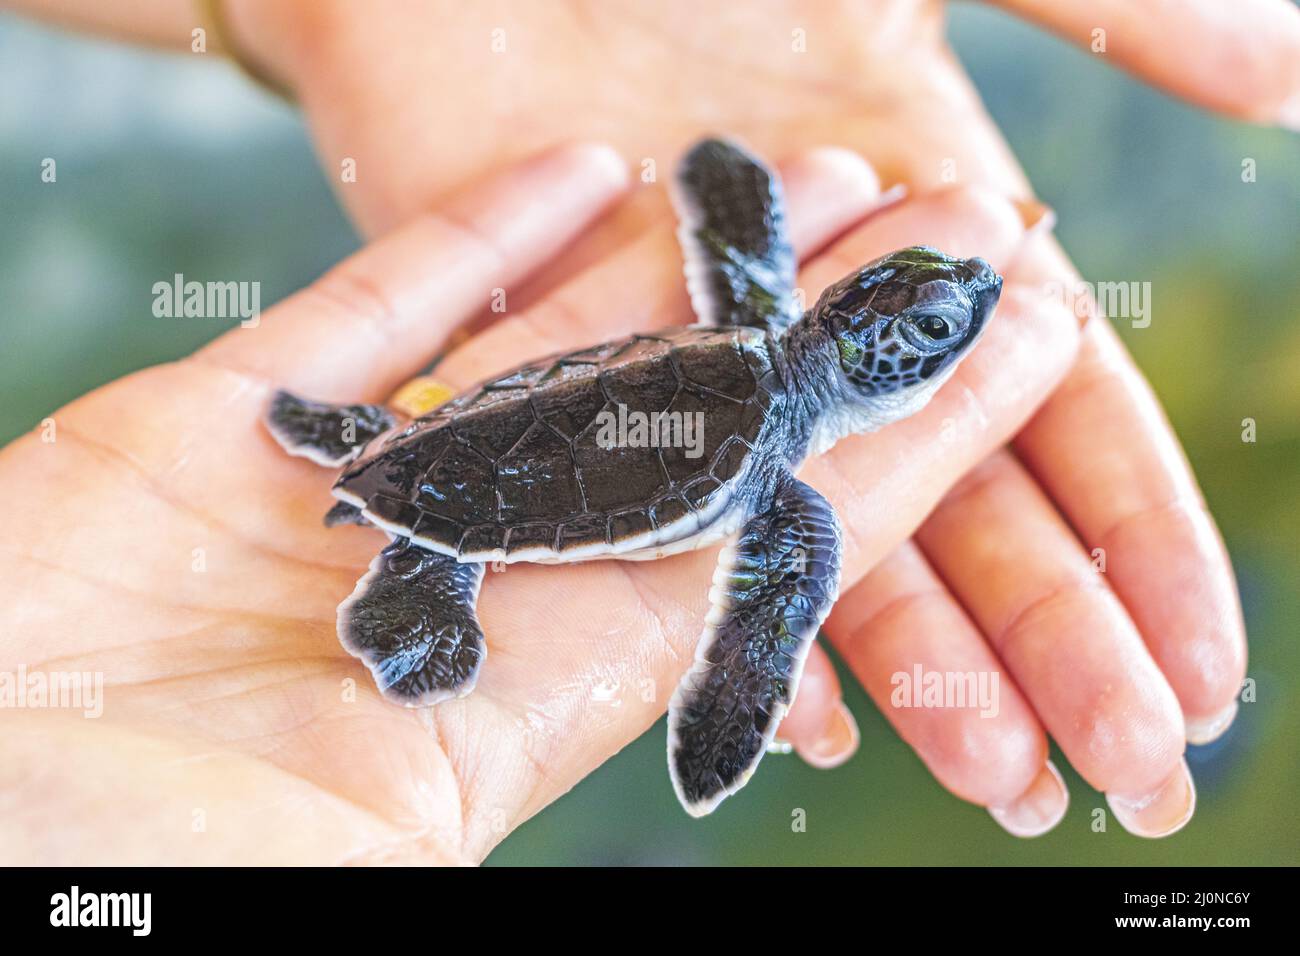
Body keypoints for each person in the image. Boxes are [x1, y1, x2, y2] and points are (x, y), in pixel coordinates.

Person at [2, 0, 1292, 863]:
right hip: (481, 484)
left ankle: (369, 442)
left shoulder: (754, 326)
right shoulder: (785, 498)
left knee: (478, 433)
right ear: (865, 345)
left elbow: (735, 202)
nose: (965, 307)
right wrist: (732, 706)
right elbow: (764, 616)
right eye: (943, 318)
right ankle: (414, 564)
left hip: (489, 414)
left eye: (948, 313)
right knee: (542, 553)